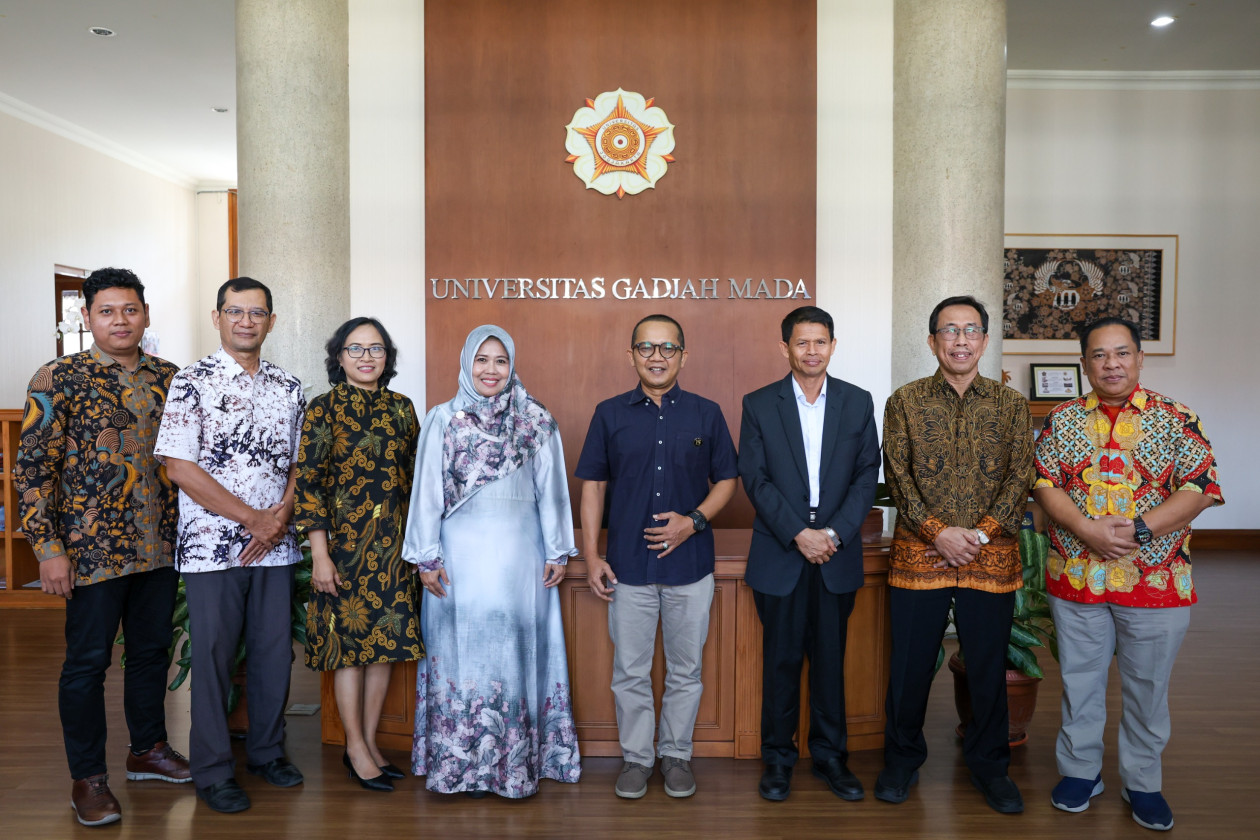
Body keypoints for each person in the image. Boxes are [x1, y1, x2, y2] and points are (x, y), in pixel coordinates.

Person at [1033, 316, 1223, 832]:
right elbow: (1045, 484)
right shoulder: (1062, 418)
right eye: (1099, 355)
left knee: (1147, 686)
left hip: (1156, 578)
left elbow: (1201, 487)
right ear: (1084, 363)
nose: (1110, 364)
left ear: (1140, 358)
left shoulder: (1177, 417)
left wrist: (1139, 530)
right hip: (1077, 576)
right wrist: (1086, 530)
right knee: (1079, 680)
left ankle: (1143, 781)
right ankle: (1080, 772)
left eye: (1121, 353)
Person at [16, 267, 190, 827]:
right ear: (87, 317)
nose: (121, 320)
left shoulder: (170, 377)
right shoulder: (58, 376)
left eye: (131, 309)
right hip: (90, 551)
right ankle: (87, 778)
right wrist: (47, 548)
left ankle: (148, 749)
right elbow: (33, 467)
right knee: (87, 664)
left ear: (145, 313)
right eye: (108, 311)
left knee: (149, 654)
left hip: (160, 545)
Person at [403, 325, 581, 798]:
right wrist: (426, 556)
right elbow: (425, 494)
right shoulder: (442, 418)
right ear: (466, 363)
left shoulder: (536, 419)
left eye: (500, 360)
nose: (491, 369)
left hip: (521, 560)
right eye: (482, 359)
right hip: (457, 560)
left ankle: (514, 768)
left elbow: (554, 491)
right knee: (460, 656)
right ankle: (458, 767)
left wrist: (557, 548)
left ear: (512, 365)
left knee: (515, 655)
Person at [154, 277, 307, 814]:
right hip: (211, 549)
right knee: (215, 659)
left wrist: (280, 517)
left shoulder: (289, 387)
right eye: (235, 312)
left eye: (257, 313)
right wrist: (253, 520)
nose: (246, 321)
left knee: (273, 657)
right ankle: (215, 770)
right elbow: (178, 466)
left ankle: (266, 753)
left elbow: (297, 465)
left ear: (271, 320)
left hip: (277, 549)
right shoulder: (191, 382)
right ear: (217, 317)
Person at [876, 295, 1033, 814]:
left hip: (990, 557)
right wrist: (938, 532)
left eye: (971, 331)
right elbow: (898, 474)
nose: (960, 340)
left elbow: (1020, 476)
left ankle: (990, 766)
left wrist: (980, 535)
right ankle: (901, 760)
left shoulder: (1011, 404)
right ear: (932, 341)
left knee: (986, 666)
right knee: (910, 667)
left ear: (985, 341)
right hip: (921, 555)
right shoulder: (905, 401)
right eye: (950, 331)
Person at [576, 314, 738, 799]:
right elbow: (593, 487)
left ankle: (676, 755)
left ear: (683, 356)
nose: (657, 356)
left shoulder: (707, 413)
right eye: (646, 347)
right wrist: (590, 554)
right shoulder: (609, 413)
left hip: (691, 571)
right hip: (627, 567)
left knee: (686, 670)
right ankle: (637, 759)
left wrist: (695, 521)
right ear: (631, 356)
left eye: (668, 348)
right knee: (630, 671)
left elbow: (728, 479)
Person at [738, 305, 879, 802]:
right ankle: (777, 761)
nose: (812, 351)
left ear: (833, 346)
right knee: (780, 663)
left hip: (836, 554)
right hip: (782, 553)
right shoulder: (758, 404)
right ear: (786, 348)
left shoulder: (858, 403)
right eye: (802, 342)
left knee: (829, 662)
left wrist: (834, 534)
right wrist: (799, 532)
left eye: (821, 342)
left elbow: (867, 476)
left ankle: (830, 759)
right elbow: (755, 479)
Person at [295, 317, 422, 793]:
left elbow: (418, 481)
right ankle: (353, 747)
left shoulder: (403, 409)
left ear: (387, 357)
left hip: (394, 549)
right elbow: (308, 485)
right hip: (343, 551)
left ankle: (369, 744)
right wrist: (320, 556)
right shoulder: (323, 410)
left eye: (376, 349)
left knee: (384, 650)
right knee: (350, 653)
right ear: (339, 356)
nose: (366, 357)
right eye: (355, 349)